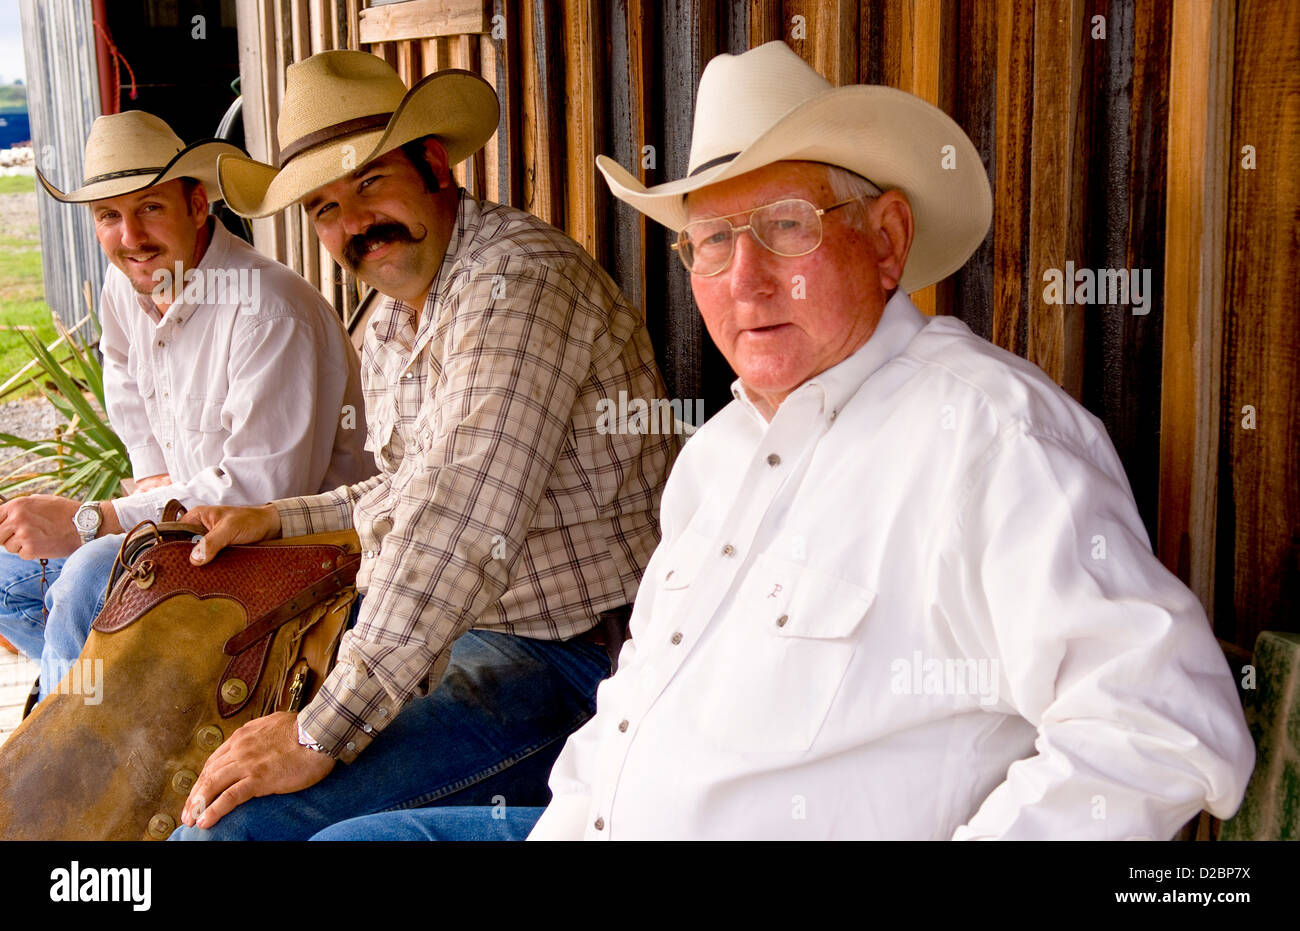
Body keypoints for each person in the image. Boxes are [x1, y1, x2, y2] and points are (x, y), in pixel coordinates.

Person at [313, 40, 1254, 842]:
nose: (746, 279)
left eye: (787, 228)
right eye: (712, 242)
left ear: (887, 239)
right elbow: (626, 720)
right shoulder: (718, 456)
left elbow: (1162, 725)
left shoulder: (988, 436)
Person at [167, 50, 675, 840]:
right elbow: (414, 482)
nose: (355, 224)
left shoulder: (518, 283)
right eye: (326, 209)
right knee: (184, 745)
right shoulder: (396, 316)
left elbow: (458, 517)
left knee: (242, 826)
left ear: (434, 164)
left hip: (575, 665)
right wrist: (281, 518)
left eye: (371, 183)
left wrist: (318, 730)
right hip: (472, 641)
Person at [0, 110, 370, 698]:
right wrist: (152, 478)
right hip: (191, 540)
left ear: (198, 204)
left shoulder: (267, 310)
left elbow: (261, 494)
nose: (130, 238)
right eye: (108, 216)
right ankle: (123, 701)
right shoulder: (129, 287)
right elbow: (123, 378)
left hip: (296, 559)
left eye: (150, 207)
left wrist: (94, 521)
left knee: (89, 572)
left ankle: (73, 753)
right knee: (5, 571)